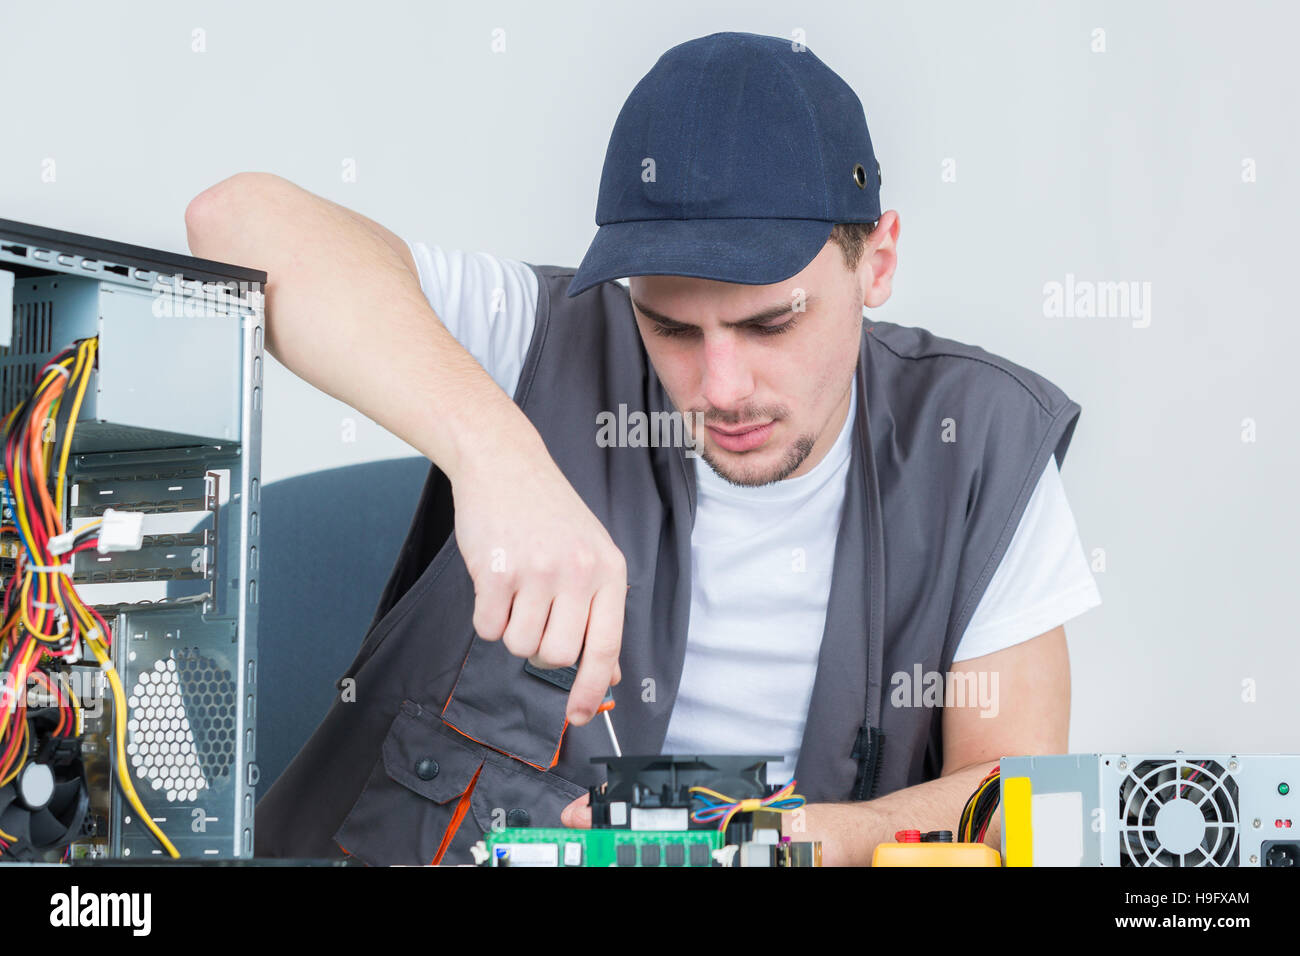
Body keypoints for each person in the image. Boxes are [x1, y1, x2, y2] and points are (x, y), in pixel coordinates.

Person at [186, 31, 1100, 866]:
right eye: (670, 327)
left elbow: (1021, 803)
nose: (722, 386)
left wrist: (817, 840)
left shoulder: (980, 444)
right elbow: (235, 223)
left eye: (771, 323)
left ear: (878, 260)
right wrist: (499, 459)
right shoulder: (541, 336)